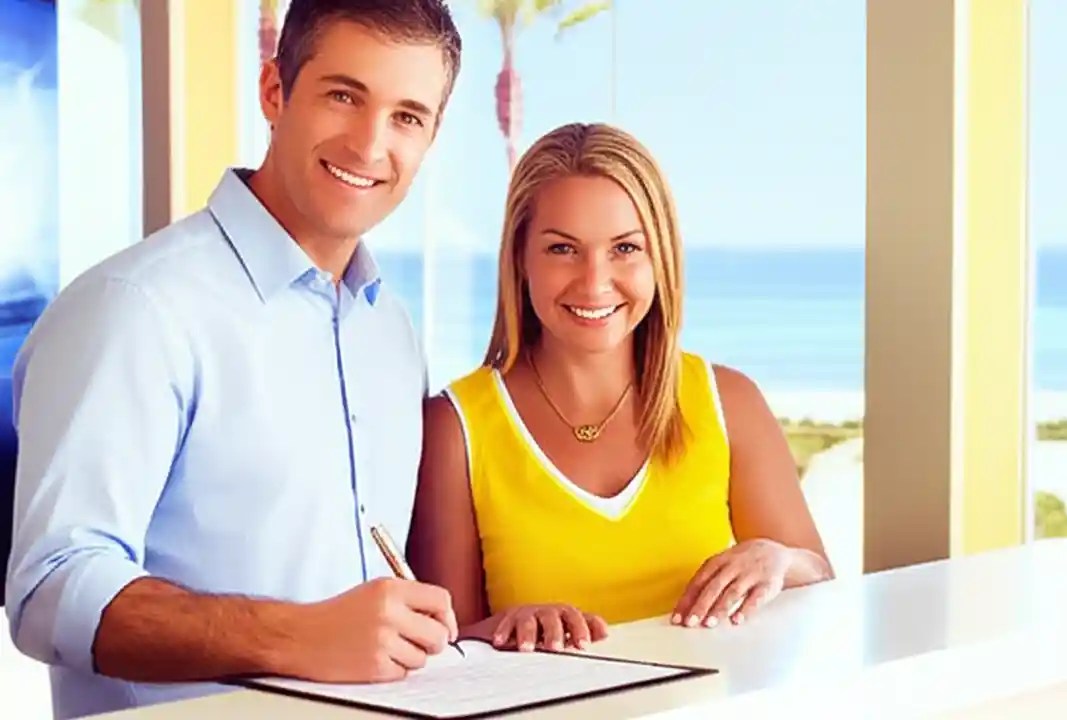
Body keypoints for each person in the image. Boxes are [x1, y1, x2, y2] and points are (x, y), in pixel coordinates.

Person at [4, 2, 463, 717]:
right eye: (344, 96)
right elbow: (48, 591)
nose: (372, 145)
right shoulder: (136, 308)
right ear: (274, 92)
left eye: (408, 116)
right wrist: (297, 636)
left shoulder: (393, 334)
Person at [408, 122, 834, 653]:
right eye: (562, 249)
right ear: (520, 258)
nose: (594, 281)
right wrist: (504, 628)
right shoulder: (455, 428)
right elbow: (443, 644)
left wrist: (778, 558)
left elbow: (820, 580)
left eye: (625, 248)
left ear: (660, 257)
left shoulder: (730, 402)